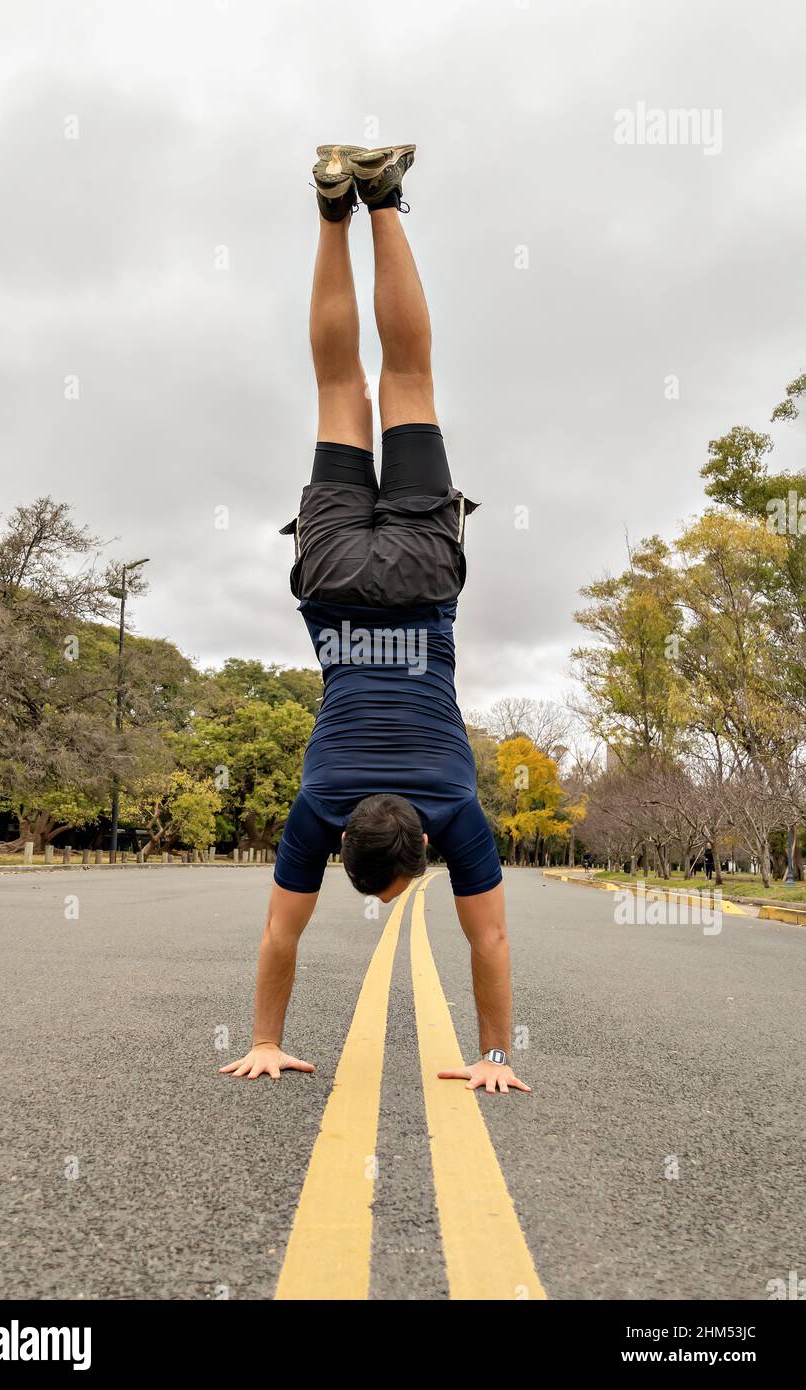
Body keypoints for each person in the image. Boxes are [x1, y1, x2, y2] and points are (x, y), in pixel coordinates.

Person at [220, 144, 529, 1098]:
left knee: (407, 383)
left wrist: (495, 1056)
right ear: (353, 838)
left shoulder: (456, 808)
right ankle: (330, 210)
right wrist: (262, 1036)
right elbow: (279, 932)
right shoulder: (317, 807)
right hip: (334, 583)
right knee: (338, 391)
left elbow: (492, 941)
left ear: (419, 847)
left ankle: (384, 198)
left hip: (424, 582)